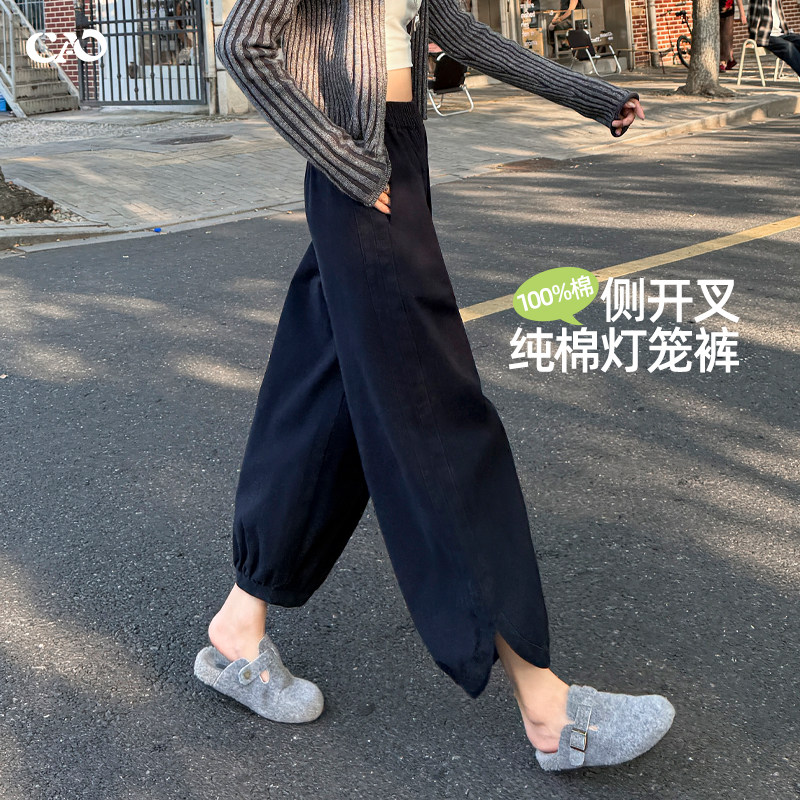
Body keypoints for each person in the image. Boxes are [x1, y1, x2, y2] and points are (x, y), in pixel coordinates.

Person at [193, 0, 676, 773]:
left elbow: (461, 31)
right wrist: (349, 165)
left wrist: (589, 95)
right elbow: (245, 43)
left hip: (396, 155)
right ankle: (547, 709)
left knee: (324, 398)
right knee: (436, 412)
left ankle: (236, 627)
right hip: (360, 170)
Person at [747, 0, 800, 76]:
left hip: (780, 33)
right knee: (788, 47)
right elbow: (753, 17)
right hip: (765, 36)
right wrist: (753, 38)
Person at [719, 0, 747, 71]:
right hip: (714, 11)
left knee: (726, 35)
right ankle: (730, 59)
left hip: (728, 10)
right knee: (720, 36)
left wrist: (742, 13)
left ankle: (723, 61)